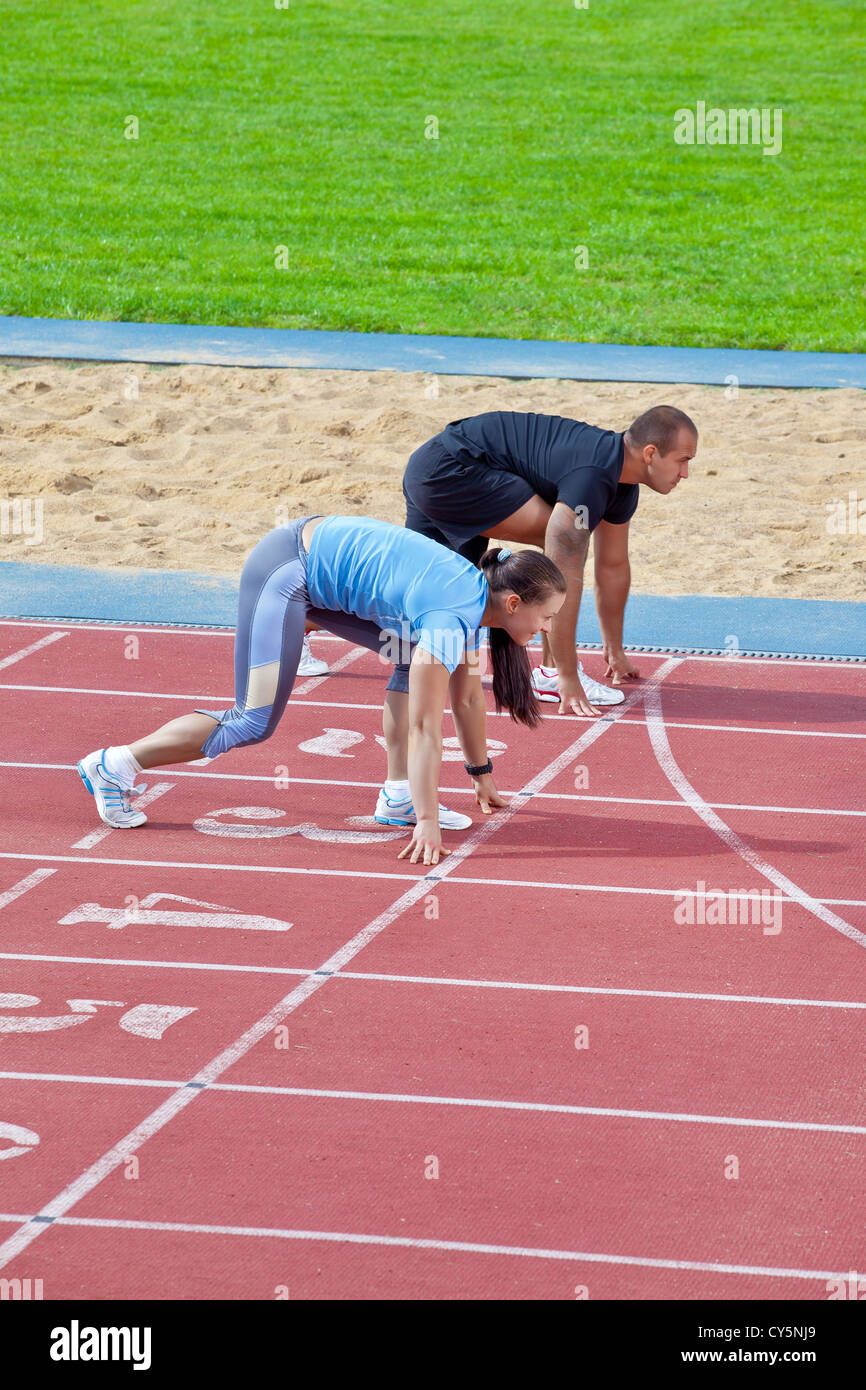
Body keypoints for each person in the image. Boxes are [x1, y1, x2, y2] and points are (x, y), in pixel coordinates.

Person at [77, 513, 567, 866]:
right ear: (513, 602)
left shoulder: (474, 609)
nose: (547, 629)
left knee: (404, 654)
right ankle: (114, 765)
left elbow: (466, 698)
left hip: (319, 566)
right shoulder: (447, 621)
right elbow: (424, 727)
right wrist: (429, 822)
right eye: (546, 617)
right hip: (288, 570)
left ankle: (398, 795)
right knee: (251, 721)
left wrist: (481, 775)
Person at [382, 406, 697, 762]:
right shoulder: (593, 475)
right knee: (566, 542)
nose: (686, 473)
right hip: (450, 471)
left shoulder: (621, 485)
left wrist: (616, 650)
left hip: (442, 468)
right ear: (650, 453)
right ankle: (553, 670)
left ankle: (310, 611)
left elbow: (613, 567)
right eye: (682, 460)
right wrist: (568, 676)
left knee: (412, 596)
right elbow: (565, 567)